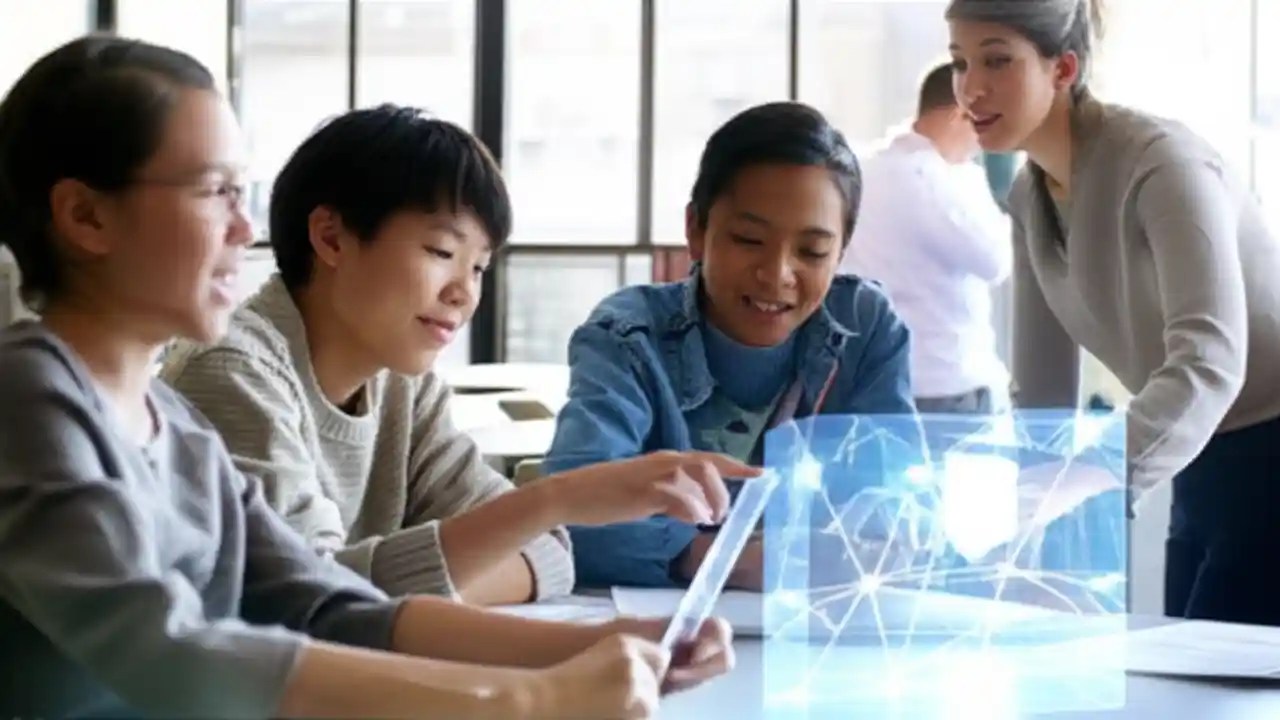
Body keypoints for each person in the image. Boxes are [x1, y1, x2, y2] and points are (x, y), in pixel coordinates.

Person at [0, 36, 733, 718]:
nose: (245, 230)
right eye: (212, 191)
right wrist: (523, 702)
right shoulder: (28, 398)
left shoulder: (175, 425)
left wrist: (617, 646)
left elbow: (328, 606)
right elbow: (164, 646)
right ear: (86, 215)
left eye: (241, 194)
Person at [161, 104, 758, 606]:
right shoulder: (233, 370)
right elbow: (304, 600)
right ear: (331, 237)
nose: (464, 292)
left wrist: (385, 584)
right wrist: (551, 499)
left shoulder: (402, 384)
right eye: (441, 251)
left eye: (478, 266)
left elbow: (551, 555)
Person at [947, 0, 1280, 625]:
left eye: (998, 60)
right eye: (960, 62)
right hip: (1201, 455)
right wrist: (1021, 520)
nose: (971, 88)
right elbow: (1041, 393)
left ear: (1063, 69)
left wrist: (1087, 473)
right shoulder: (1029, 194)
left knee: (1225, 687)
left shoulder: (1164, 165)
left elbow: (1209, 364)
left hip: (1268, 443)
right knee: (1185, 672)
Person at [543, 102, 919, 590]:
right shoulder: (627, 337)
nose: (777, 274)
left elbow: (896, 505)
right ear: (696, 230)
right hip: (660, 643)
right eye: (748, 239)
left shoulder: (866, 329)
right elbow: (569, 514)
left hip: (820, 637)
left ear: (842, 251)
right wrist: (732, 561)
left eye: (812, 252)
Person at [842, 62, 1012, 415]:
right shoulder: (935, 180)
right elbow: (996, 261)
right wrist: (971, 177)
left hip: (876, 377)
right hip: (948, 383)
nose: (981, 144)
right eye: (981, 123)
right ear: (958, 115)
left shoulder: (863, 169)